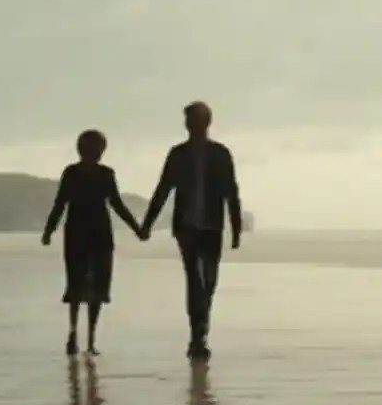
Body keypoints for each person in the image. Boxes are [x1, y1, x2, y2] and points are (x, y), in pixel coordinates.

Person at [140, 101, 241, 360]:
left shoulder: (220, 154)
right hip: (186, 227)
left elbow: (231, 191)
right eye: (190, 120)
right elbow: (163, 189)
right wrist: (148, 223)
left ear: (206, 122)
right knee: (194, 279)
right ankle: (198, 336)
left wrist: (236, 226)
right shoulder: (178, 154)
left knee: (209, 282)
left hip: (212, 225)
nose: (193, 124)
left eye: (196, 119)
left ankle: (201, 330)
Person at [43, 129, 143, 356]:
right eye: (92, 149)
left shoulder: (100, 174)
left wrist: (137, 228)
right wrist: (49, 230)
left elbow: (116, 204)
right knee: (78, 287)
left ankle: (85, 338)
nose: (95, 153)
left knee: (92, 288)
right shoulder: (75, 173)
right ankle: (77, 336)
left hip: (94, 235)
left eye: (98, 149)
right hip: (84, 234)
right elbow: (61, 203)